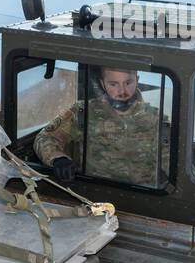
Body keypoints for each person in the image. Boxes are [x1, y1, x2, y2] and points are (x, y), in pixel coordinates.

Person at [34, 66, 169, 188]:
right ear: (102, 84)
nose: (122, 91)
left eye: (128, 82)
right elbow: (45, 137)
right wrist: (58, 159)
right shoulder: (83, 113)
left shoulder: (156, 119)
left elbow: (171, 162)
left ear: (137, 80)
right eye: (113, 84)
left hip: (143, 198)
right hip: (94, 195)